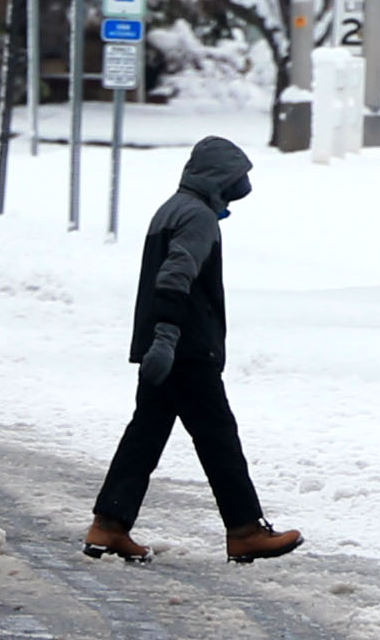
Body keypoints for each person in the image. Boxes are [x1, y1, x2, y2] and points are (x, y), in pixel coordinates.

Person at [84, 134, 303, 564]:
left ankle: (108, 525)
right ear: (219, 181)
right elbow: (174, 277)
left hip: (162, 346)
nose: (232, 201)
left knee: (144, 437)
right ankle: (244, 530)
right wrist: (168, 337)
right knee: (219, 437)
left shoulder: (170, 209)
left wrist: (156, 340)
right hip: (185, 349)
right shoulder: (198, 217)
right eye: (232, 188)